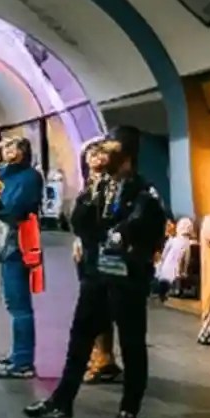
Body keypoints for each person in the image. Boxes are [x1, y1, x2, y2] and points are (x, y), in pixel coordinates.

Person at [24, 125, 168, 418]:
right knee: (80, 337)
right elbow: (81, 223)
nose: (101, 156)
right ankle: (62, 400)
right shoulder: (100, 187)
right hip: (97, 275)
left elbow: (143, 227)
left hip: (127, 280)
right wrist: (89, 193)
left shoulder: (144, 193)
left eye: (109, 151)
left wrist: (122, 235)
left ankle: (128, 413)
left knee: (131, 344)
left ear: (126, 157)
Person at [0, 137, 45, 379]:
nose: (8, 151)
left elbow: (13, 209)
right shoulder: (6, 174)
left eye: (13, 147)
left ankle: (23, 361)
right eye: (6, 147)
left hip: (19, 241)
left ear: (24, 151)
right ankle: (17, 354)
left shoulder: (29, 176)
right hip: (7, 241)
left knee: (20, 305)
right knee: (12, 302)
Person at [73, 138, 121, 385]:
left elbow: (104, 221)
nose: (95, 160)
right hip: (89, 251)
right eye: (91, 155)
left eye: (100, 155)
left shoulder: (110, 187)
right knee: (95, 306)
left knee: (100, 307)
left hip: (104, 253)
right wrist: (78, 239)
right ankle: (100, 357)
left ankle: (104, 359)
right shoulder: (89, 186)